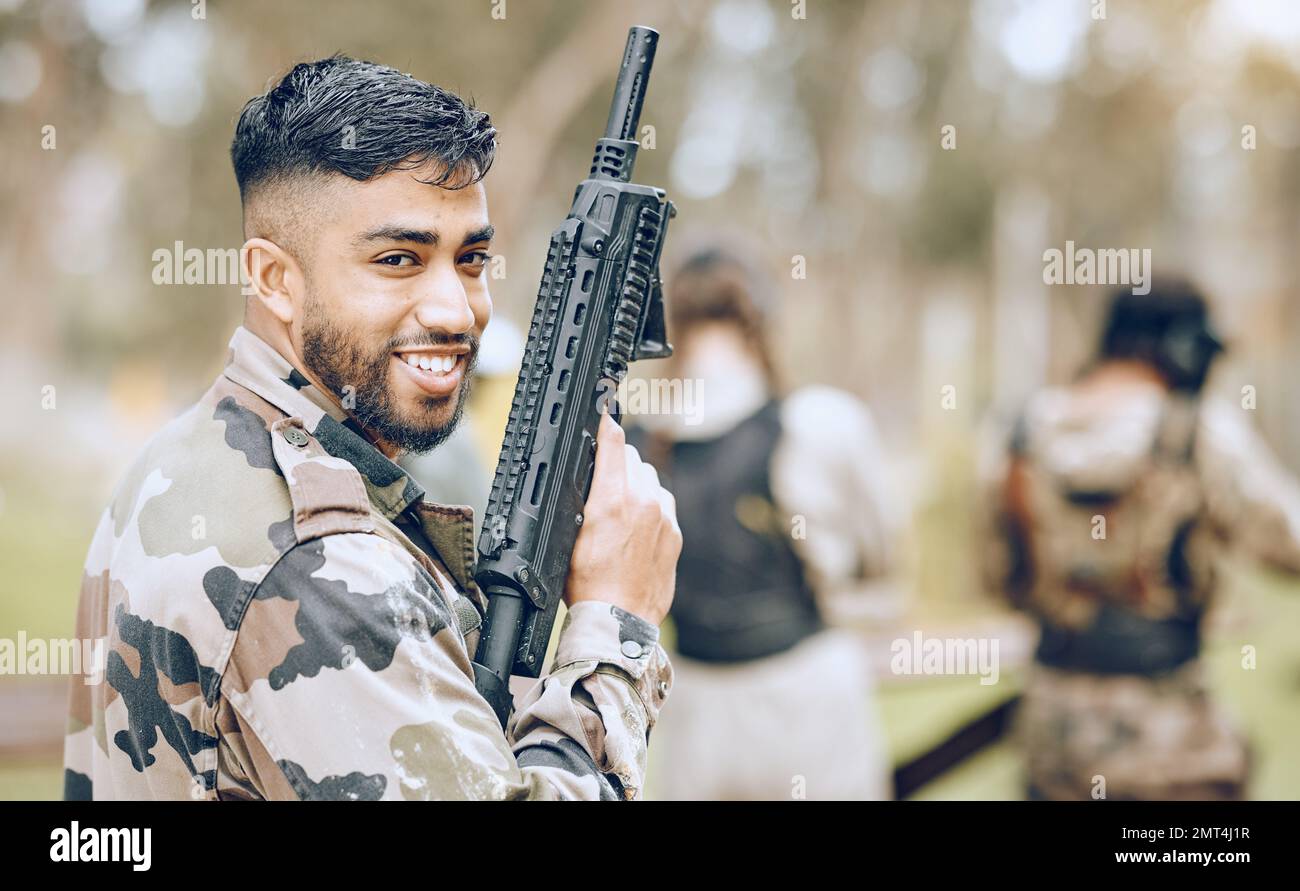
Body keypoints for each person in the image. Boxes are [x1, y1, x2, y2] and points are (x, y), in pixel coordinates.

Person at [61, 57, 680, 801]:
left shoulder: (183, 454)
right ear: (274, 278)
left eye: (472, 258)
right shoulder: (319, 565)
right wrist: (617, 624)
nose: (455, 310)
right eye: (398, 259)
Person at [981, 283, 1300, 800]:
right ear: (1181, 348)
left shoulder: (1019, 434)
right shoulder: (1203, 432)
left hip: (1051, 744)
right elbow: (1290, 543)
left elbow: (996, 577)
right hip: (1173, 754)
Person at [628, 246, 900, 800]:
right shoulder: (822, 422)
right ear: (761, 318)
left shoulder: (638, 443)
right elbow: (882, 559)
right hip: (809, 693)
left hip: (694, 704)